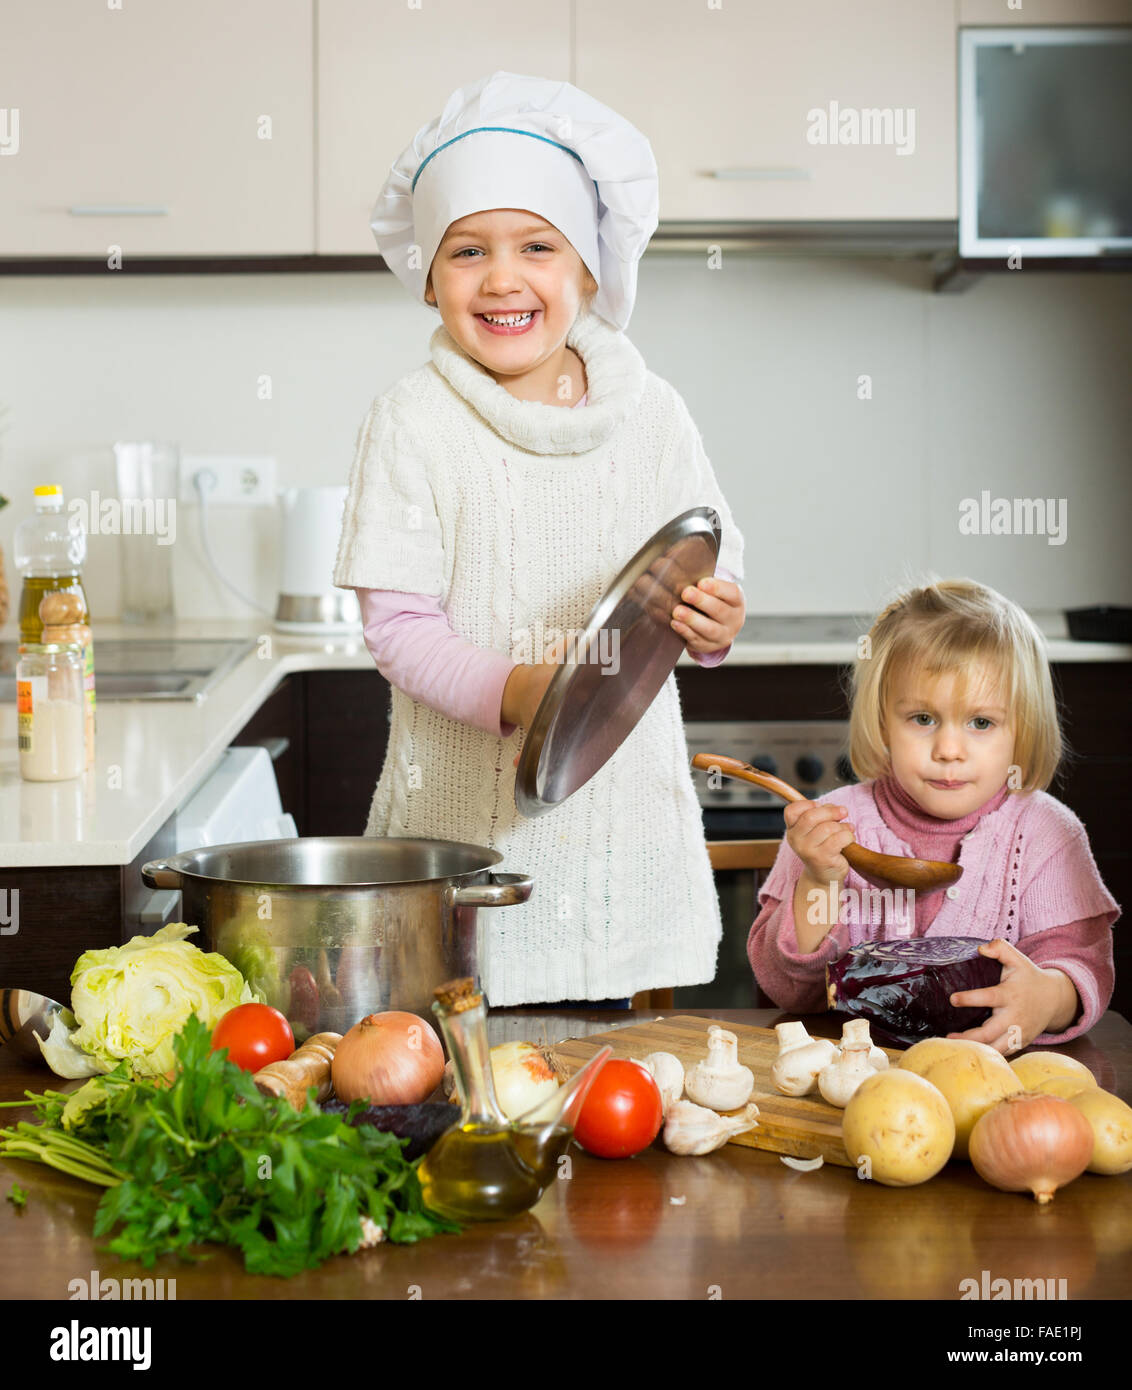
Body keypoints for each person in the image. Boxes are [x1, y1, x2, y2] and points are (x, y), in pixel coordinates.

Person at [333, 72, 746, 1007]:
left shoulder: (653, 415)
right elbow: (397, 628)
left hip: (626, 850)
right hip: (458, 842)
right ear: (428, 276)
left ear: (588, 269)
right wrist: (521, 691)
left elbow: (703, 579)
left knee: (624, 1114)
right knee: (462, 1090)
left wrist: (716, 623)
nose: (503, 277)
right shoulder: (411, 422)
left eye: (537, 246)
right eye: (468, 250)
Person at [747, 578, 1119, 1050]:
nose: (948, 750)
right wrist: (818, 882)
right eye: (923, 719)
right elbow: (790, 993)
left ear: (1022, 729)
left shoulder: (1048, 835)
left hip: (999, 1080)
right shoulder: (829, 827)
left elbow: (1081, 966)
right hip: (858, 1074)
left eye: (981, 723)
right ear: (883, 720)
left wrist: (1046, 998)